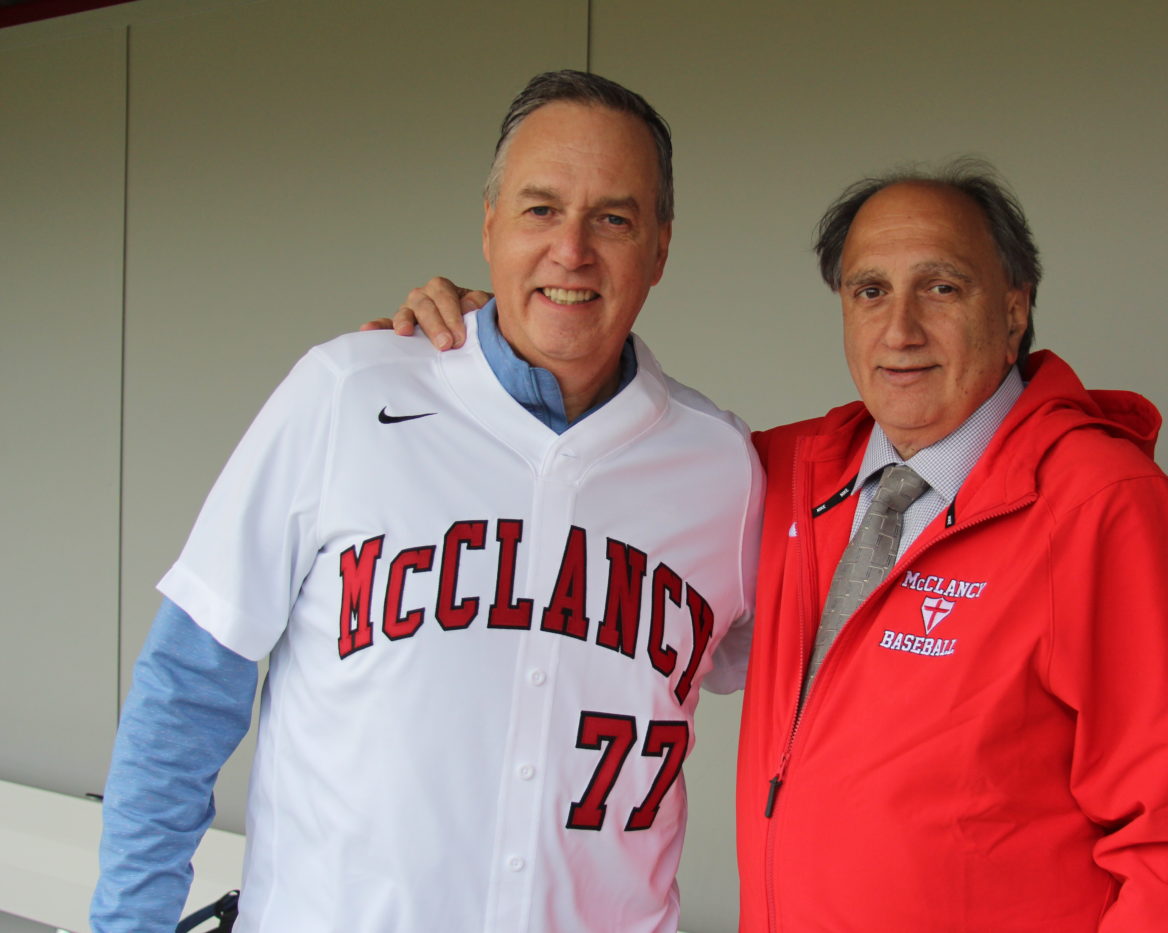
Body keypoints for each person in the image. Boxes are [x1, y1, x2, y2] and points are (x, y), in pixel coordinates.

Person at [390, 165, 1168, 930]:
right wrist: (486, 349)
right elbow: (597, 463)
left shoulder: (1106, 509)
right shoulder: (780, 476)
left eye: (943, 287)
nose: (901, 329)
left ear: (1014, 306)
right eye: (869, 290)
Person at [91, 70, 762, 933]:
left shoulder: (724, 469)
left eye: (614, 218)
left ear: (661, 248)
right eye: (539, 209)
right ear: (488, 228)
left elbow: (817, 702)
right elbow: (187, 691)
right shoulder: (346, 392)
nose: (572, 250)